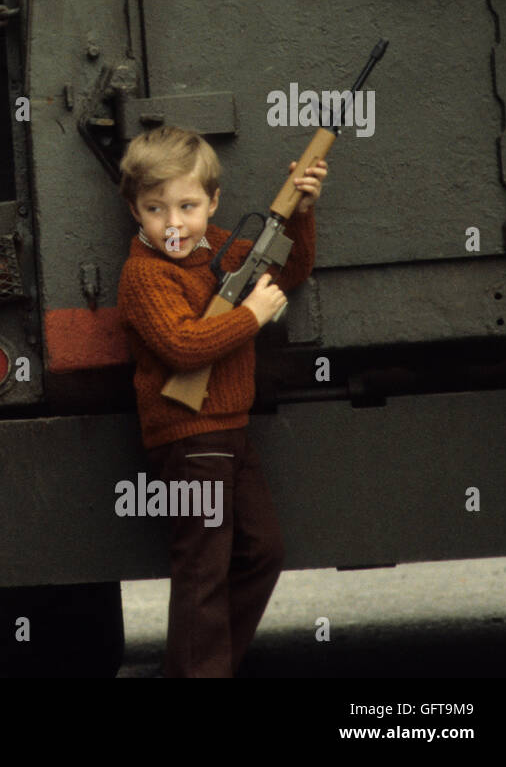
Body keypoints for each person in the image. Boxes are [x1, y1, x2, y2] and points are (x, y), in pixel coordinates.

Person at [114, 125, 327, 677]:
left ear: (214, 202)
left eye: (188, 205)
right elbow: (183, 346)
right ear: (135, 212)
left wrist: (299, 211)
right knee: (203, 571)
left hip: (228, 430)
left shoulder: (219, 248)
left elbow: (291, 270)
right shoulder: (144, 274)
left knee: (263, 552)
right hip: (188, 436)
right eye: (156, 209)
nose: (175, 223)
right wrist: (250, 315)